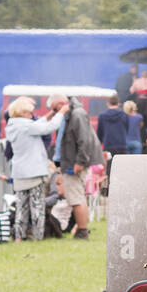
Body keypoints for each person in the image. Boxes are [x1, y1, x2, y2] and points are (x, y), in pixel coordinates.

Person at [4, 97, 64, 242]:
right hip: (34, 172)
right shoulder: (26, 126)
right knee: (37, 206)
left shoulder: (13, 126)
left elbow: (37, 124)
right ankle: (38, 236)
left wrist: (49, 115)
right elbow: (49, 128)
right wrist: (61, 112)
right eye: (29, 113)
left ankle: (19, 236)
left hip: (19, 173)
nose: (32, 115)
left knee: (21, 207)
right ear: (22, 113)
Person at [46, 93, 105, 240]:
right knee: (76, 197)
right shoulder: (72, 113)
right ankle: (81, 230)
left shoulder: (77, 114)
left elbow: (84, 140)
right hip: (70, 162)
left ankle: (82, 231)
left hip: (74, 163)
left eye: (54, 109)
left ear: (60, 104)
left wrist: (80, 162)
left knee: (76, 198)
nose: (54, 112)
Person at [96, 94, 130, 165]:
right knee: (121, 166)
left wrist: (100, 144)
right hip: (121, 145)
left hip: (108, 145)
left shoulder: (102, 116)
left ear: (108, 103)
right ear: (118, 103)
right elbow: (127, 129)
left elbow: (99, 133)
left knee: (109, 166)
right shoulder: (124, 115)